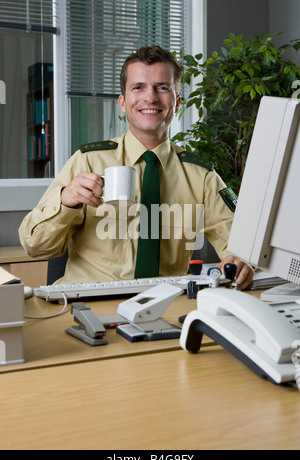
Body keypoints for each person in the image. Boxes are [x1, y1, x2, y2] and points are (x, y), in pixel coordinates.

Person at [19, 45, 254, 289]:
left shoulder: (201, 175)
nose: (150, 98)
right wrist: (65, 201)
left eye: (162, 88)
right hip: (87, 304)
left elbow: (241, 246)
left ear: (177, 103)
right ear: (123, 102)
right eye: (138, 87)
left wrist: (242, 262)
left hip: (165, 304)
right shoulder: (87, 161)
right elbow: (35, 246)